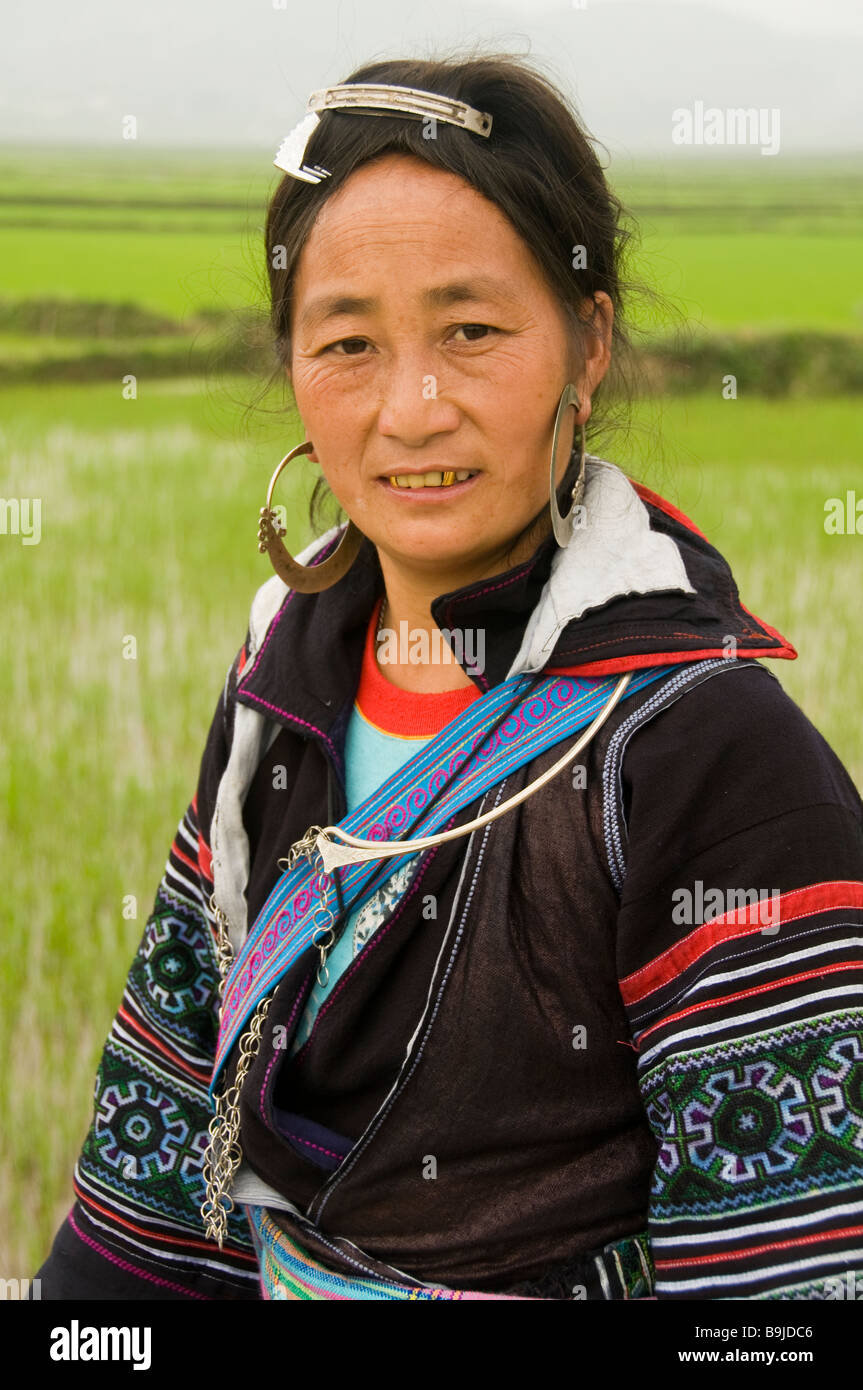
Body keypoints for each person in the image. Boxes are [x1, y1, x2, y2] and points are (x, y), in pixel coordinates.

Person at [36, 54, 863, 1302]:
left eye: (470, 332)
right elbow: (158, 1154)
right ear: (293, 369)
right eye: (349, 343)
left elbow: (782, 1279)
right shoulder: (278, 687)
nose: (412, 409)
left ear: (586, 347)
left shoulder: (707, 754)